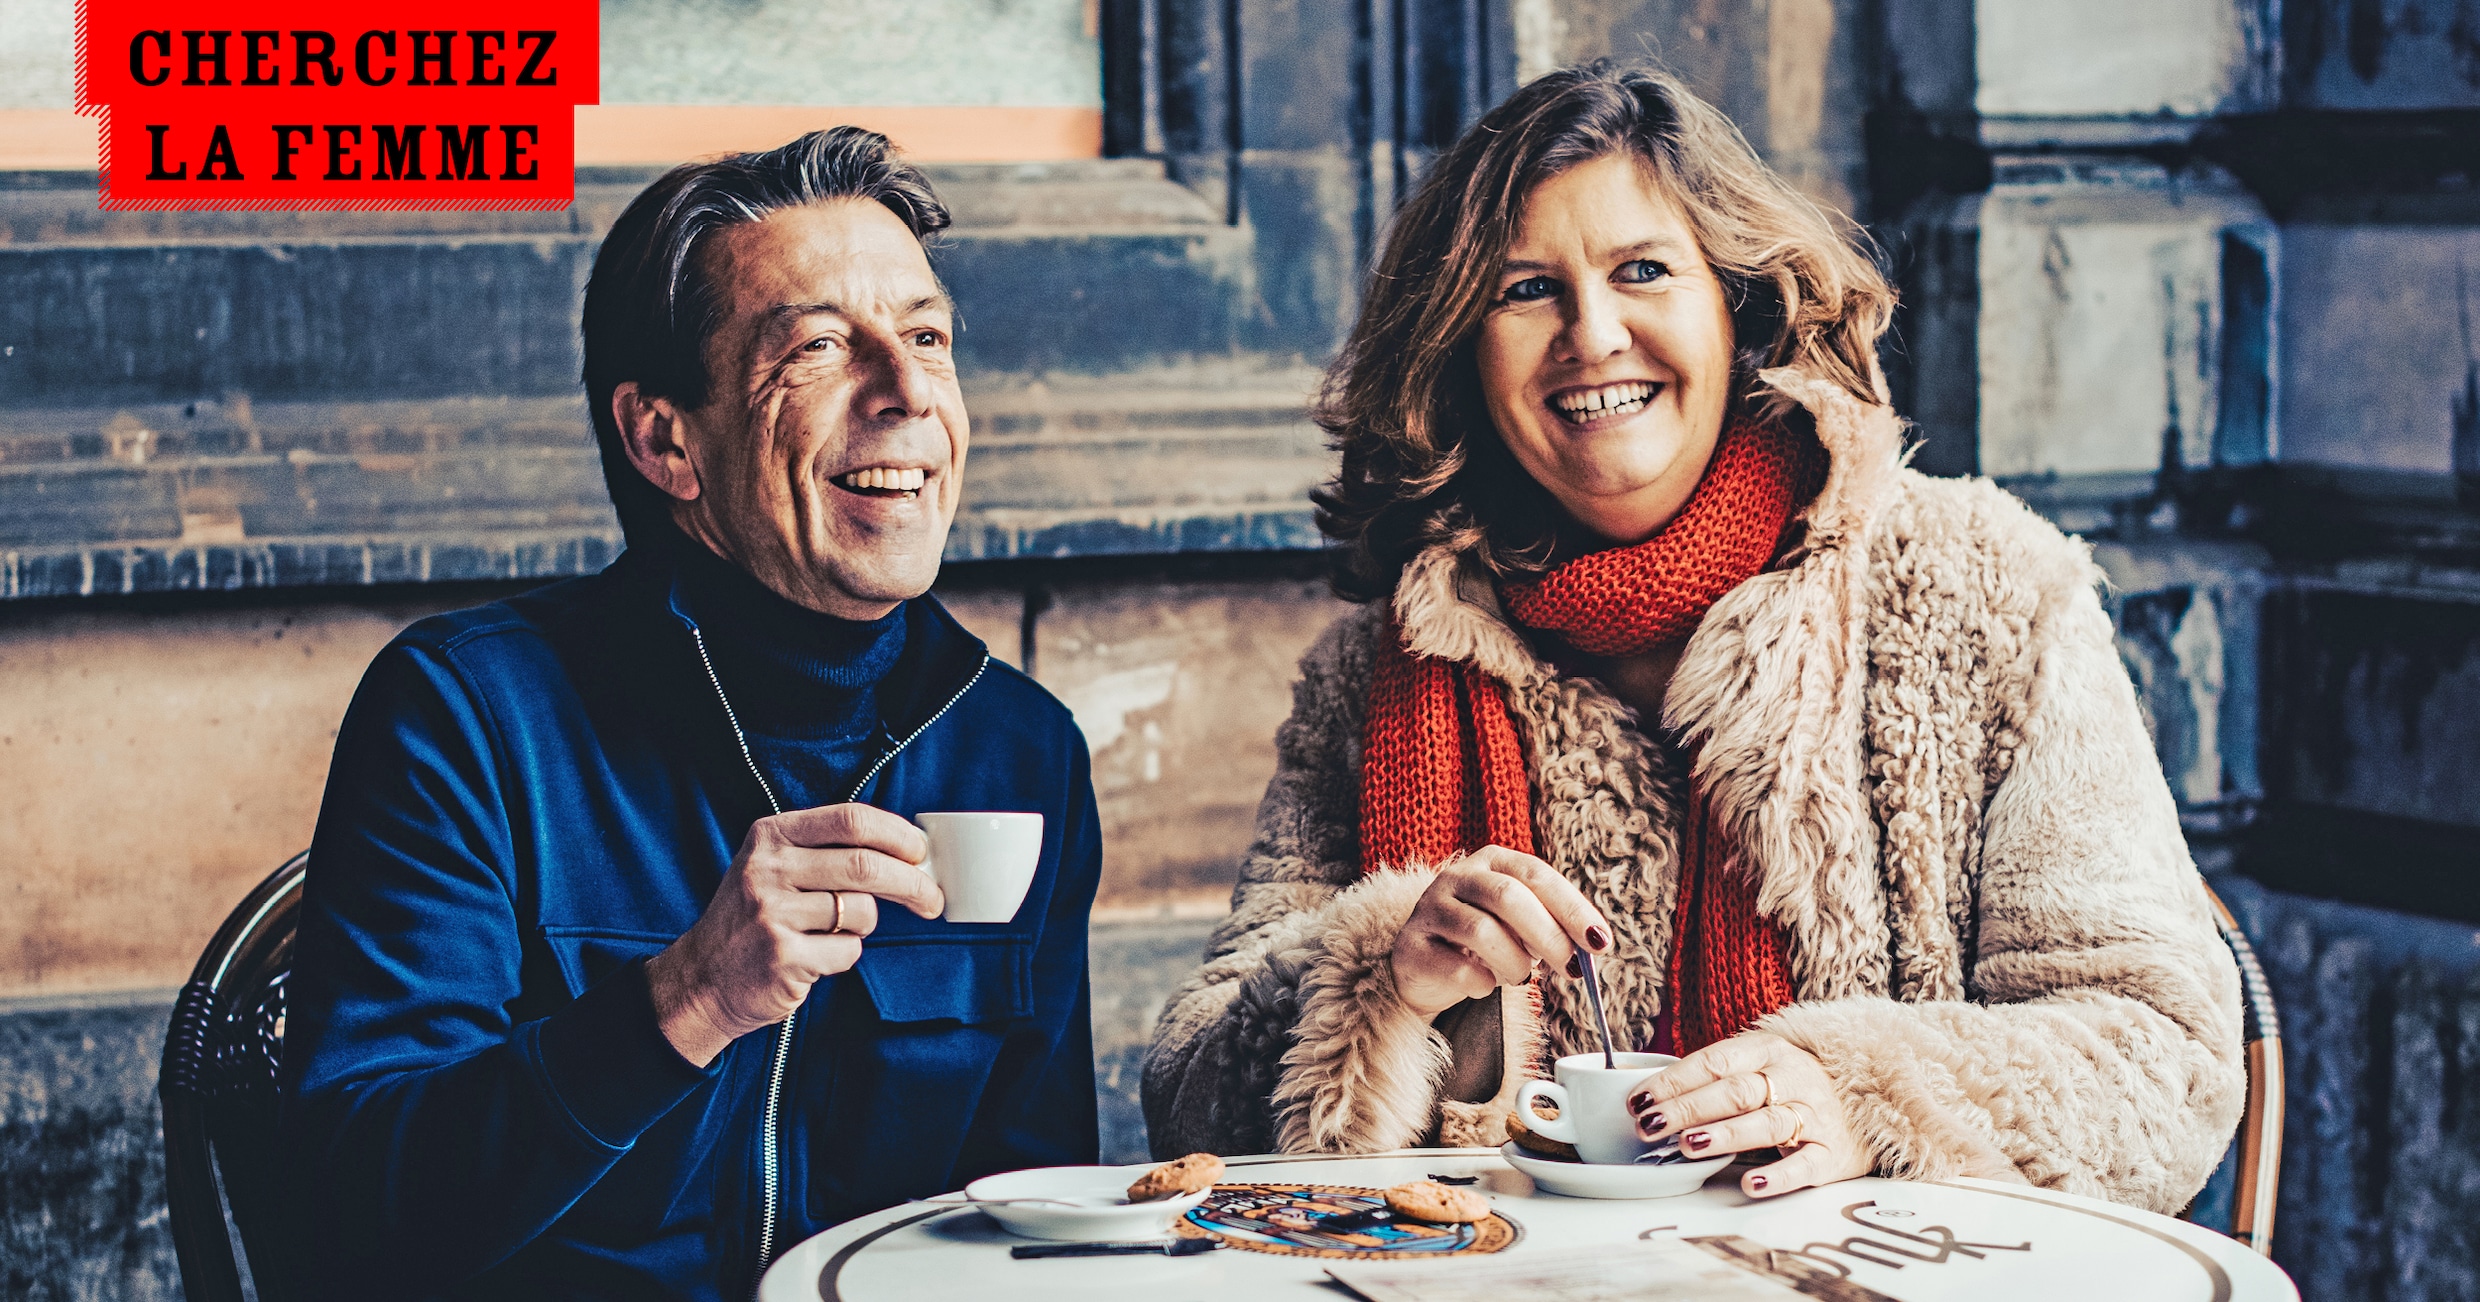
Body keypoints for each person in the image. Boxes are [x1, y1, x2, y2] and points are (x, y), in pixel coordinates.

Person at [1141, 64, 2243, 1215]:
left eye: (1642, 273)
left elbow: (2156, 1056)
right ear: (1461, 346)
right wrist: (1395, 988)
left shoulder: (1986, 595)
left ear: (1736, 305)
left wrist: (1855, 1095)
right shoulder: (1374, 672)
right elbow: (1186, 1104)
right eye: (1525, 290)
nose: (1592, 334)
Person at [279, 129, 1103, 1299]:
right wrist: (681, 1002)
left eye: (926, 337)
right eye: (820, 349)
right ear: (666, 438)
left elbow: (1031, 1212)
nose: (911, 393)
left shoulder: (1018, 750)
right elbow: (348, 1218)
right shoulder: (469, 714)